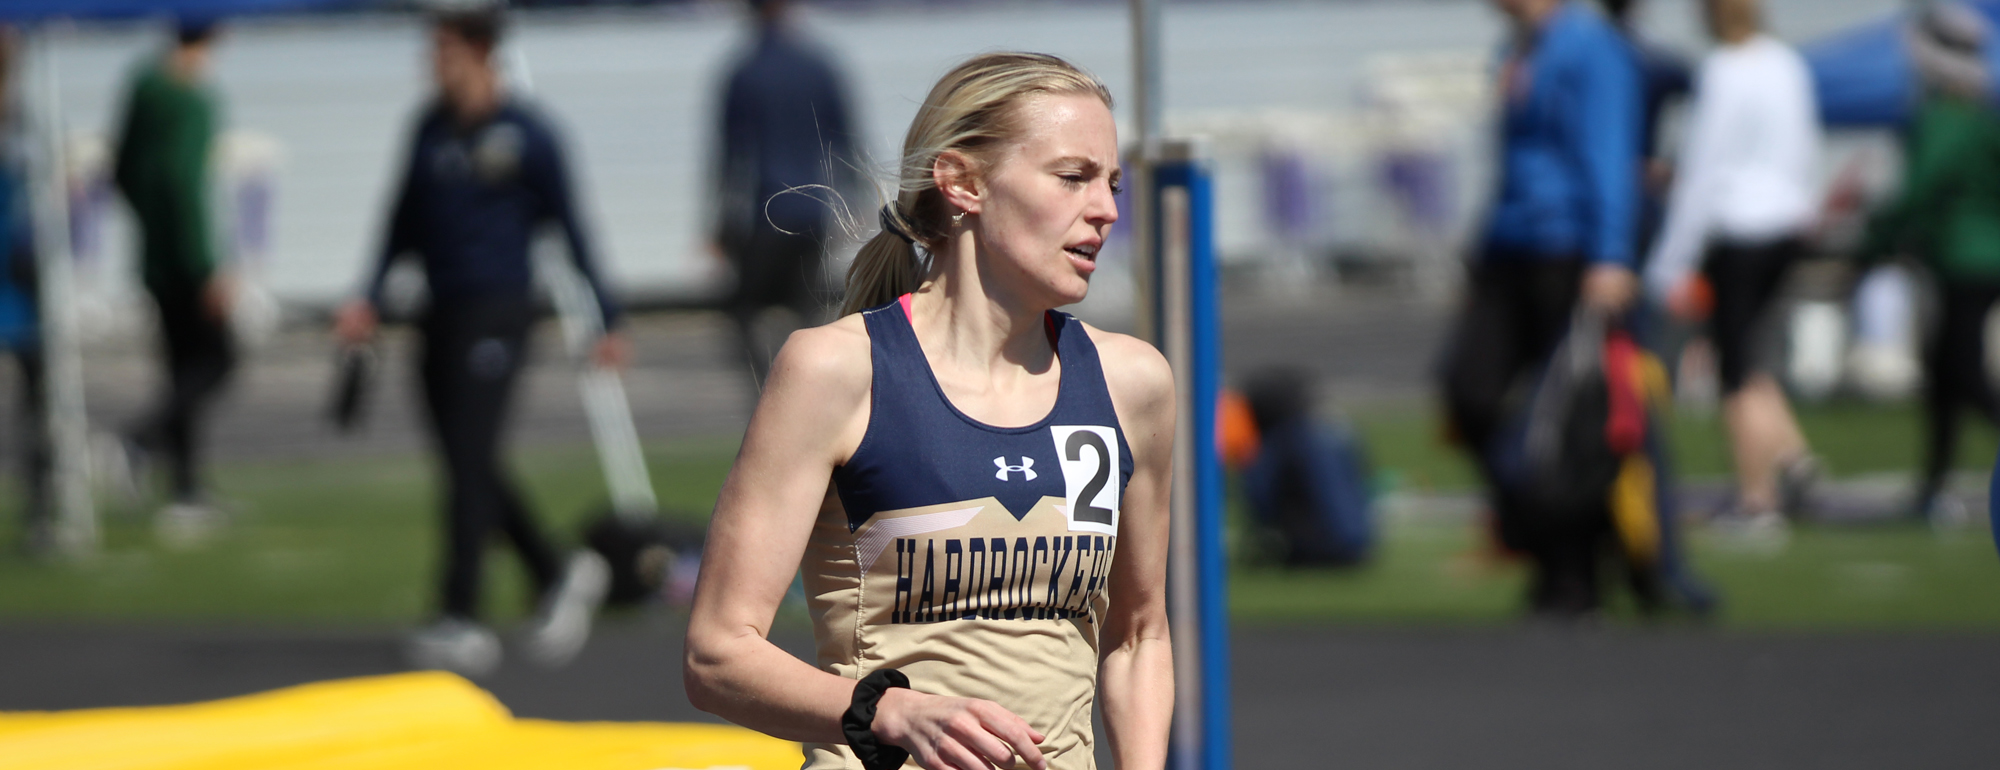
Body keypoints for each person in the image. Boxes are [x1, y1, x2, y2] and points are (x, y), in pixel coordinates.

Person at [684, 53, 1174, 770]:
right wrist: (893, 712)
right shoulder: (837, 371)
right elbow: (717, 655)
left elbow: (1138, 637)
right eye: (1073, 177)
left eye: (1112, 183)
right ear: (962, 182)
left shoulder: (1131, 382)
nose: (1106, 209)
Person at [334, 7, 620, 676]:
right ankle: (554, 569)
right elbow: (399, 222)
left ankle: (458, 611)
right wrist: (368, 296)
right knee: (467, 460)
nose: (433, 63)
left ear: (481, 51)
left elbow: (573, 228)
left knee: (469, 459)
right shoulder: (429, 129)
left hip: (499, 311)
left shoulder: (529, 135)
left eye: (445, 50)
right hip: (438, 310)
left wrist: (608, 318)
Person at [1442, 0, 1641, 616]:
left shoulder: (1590, 46)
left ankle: (1574, 570)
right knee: (1470, 393)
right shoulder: (1518, 48)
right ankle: (1536, 533)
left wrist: (1611, 252)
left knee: (1569, 421)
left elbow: (1609, 150)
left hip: (1566, 248)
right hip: (1509, 245)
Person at [1643, 0, 1822, 537]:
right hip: (1786, 225)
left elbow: (1705, 167)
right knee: (1748, 351)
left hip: (1739, 230)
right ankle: (1794, 458)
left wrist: (1671, 258)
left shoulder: (1723, 70)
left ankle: (1756, 499)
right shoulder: (1788, 63)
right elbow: (1805, 145)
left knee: (1735, 370)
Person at [1855, 2, 2000, 523]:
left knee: (1962, 372)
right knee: (1944, 375)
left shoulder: (1945, 117)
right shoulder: (1980, 115)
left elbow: (1917, 192)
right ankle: (1932, 485)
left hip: (1967, 259)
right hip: (1977, 257)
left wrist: (1873, 243)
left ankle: (1932, 486)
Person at [109, 20, 234, 528]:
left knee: (180, 368)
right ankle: (142, 438)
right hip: (188, 257)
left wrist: (150, 225)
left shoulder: (143, 86)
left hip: (156, 254)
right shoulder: (190, 99)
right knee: (218, 360)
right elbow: (185, 182)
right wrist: (207, 266)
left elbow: (121, 171)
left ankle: (185, 486)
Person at [710, 0, 859, 394]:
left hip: (766, 210)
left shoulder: (744, 71)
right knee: (807, 308)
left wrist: (720, 221)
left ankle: (768, 393)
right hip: (813, 209)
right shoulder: (819, 66)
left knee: (745, 310)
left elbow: (731, 155)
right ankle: (810, 394)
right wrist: (853, 200)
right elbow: (844, 139)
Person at [0, 30, 51, 556]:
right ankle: (42, 507)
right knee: (38, 402)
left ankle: (43, 506)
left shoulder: (23, 125)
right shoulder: (18, 131)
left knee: (41, 402)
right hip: (15, 284)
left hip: (19, 287)